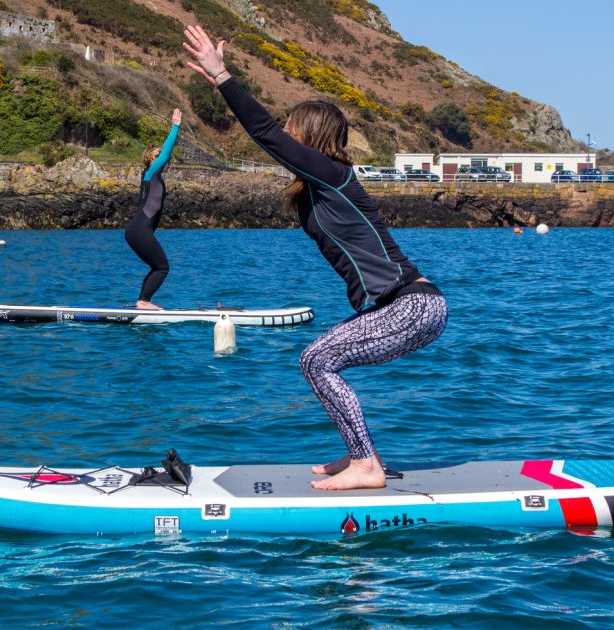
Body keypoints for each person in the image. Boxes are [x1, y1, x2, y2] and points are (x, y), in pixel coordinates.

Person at [183, 25, 448, 491]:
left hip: (415, 306)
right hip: (401, 307)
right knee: (320, 360)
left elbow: (265, 133)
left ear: (310, 136)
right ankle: (360, 453)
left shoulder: (333, 174)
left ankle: (366, 464)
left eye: (292, 129)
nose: (285, 134)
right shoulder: (319, 186)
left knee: (316, 360)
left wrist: (222, 76)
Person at [125, 109, 181, 310]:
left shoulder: (149, 176)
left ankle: (142, 301)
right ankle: (143, 301)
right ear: (154, 160)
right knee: (162, 267)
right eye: (161, 158)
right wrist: (175, 126)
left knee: (157, 266)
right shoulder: (151, 173)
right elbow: (165, 153)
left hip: (136, 231)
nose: (166, 161)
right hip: (139, 231)